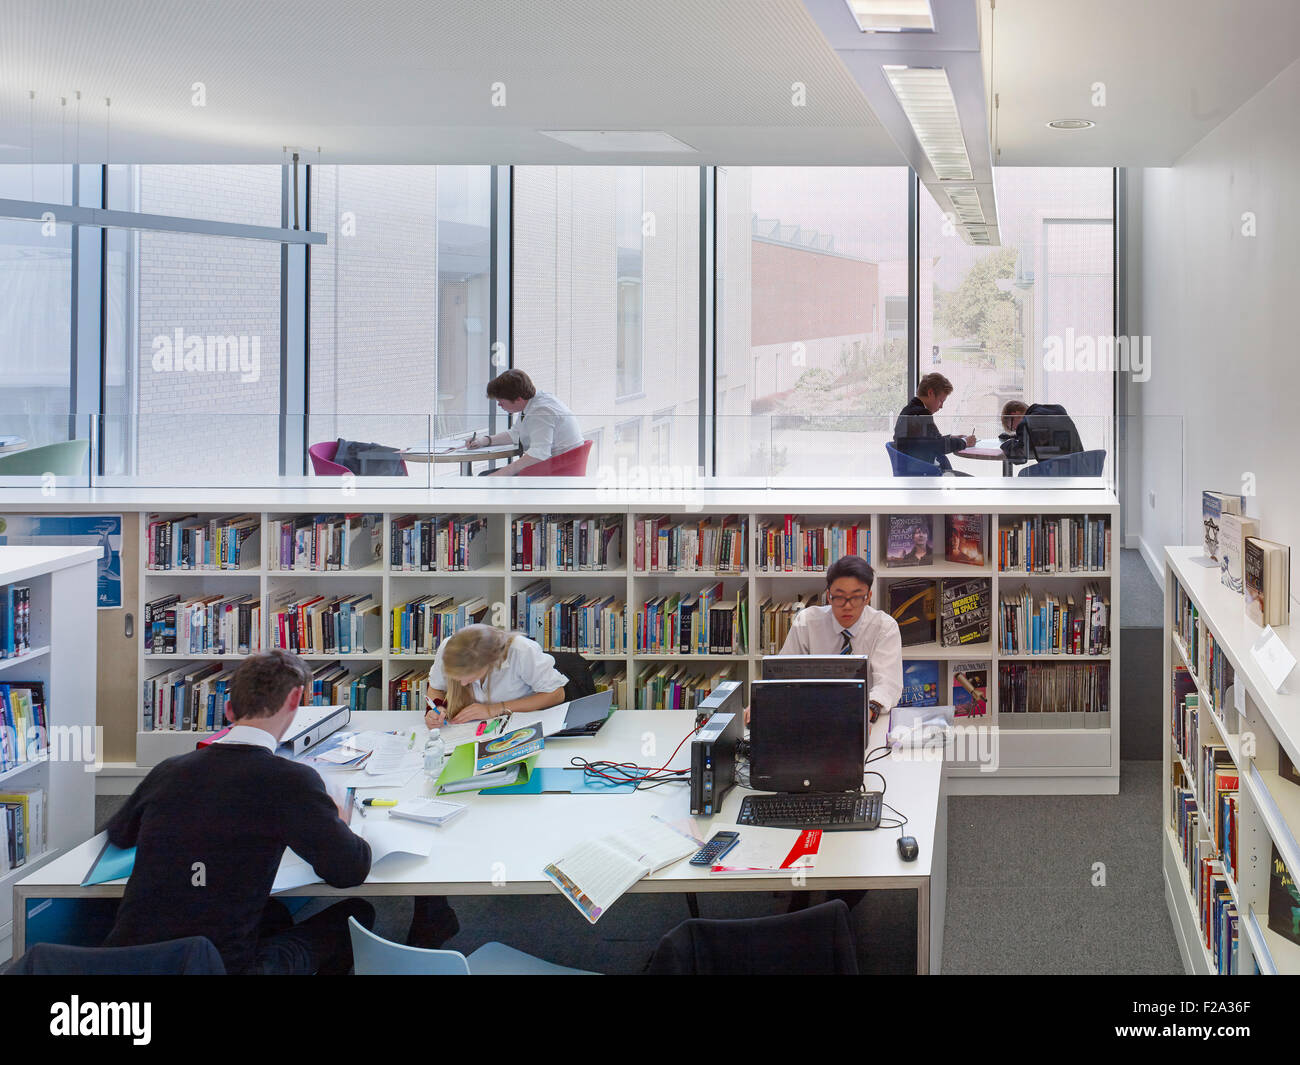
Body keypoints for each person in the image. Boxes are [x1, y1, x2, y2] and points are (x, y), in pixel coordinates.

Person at [103, 650, 374, 975]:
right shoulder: (290, 781)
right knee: (357, 915)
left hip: (127, 965)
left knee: (274, 916)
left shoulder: (168, 770)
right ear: (295, 699)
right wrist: (341, 825)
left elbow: (120, 835)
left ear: (229, 709)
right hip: (220, 967)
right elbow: (350, 871)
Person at [409, 625, 569, 948]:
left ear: (491, 662)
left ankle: (517, 869)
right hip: (469, 740)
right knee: (439, 802)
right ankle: (434, 906)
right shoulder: (450, 649)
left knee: (503, 804)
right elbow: (436, 689)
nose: (464, 684)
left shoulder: (520, 651)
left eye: (469, 677)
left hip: (520, 738)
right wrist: (434, 711)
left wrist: (495, 709)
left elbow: (557, 694)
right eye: (462, 679)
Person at [777, 555, 903, 724]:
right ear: (828, 596)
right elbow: (782, 674)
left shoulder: (885, 627)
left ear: (868, 597)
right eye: (840, 597)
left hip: (866, 715)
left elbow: (888, 684)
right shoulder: (807, 622)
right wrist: (766, 700)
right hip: (813, 713)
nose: (848, 605)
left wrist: (867, 711)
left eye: (857, 597)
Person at [468, 369, 583, 476]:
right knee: (485, 476)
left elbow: (539, 454)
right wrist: (485, 440)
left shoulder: (540, 412)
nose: (499, 405)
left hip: (556, 472)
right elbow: (516, 433)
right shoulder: (535, 402)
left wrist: (498, 475)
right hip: (555, 466)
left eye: (501, 401)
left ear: (518, 399)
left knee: (485, 477)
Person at [892, 372, 976, 472]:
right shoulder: (921, 413)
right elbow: (939, 446)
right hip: (923, 474)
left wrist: (951, 438)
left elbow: (927, 442)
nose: (941, 406)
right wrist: (965, 442)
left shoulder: (909, 410)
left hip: (911, 470)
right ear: (930, 393)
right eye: (941, 401)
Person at [998, 400, 1084, 466]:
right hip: (1079, 466)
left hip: (1058, 473)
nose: (1015, 429)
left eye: (1012, 427)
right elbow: (1044, 436)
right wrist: (1015, 436)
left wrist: (1006, 444)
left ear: (1015, 414)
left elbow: (1019, 457)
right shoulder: (1057, 409)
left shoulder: (1026, 423)